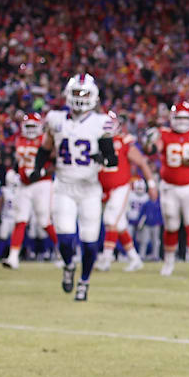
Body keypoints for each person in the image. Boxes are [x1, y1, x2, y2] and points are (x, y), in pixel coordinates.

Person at [35, 74, 120, 301]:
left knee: (90, 242)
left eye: (84, 94)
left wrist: (102, 157)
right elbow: (45, 148)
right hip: (63, 185)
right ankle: (69, 264)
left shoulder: (100, 122)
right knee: (64, 237)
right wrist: (38, 167)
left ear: (93, 96)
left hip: (90, 188)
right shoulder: (55, 119)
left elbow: (113, 159)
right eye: (76, 93)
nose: (80, 98)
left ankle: (84, 282)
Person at [148, 100, 189, 277]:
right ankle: (169, 262)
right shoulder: (165, 134)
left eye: (185, 118)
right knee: (171, 226)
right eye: (179, 118)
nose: (182, 122)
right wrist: (149, 142)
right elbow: (153, 148)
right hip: (169, 187)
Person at [96, 112, 157, 272]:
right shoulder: (95, 140)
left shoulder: (123, 141)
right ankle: (135, 259)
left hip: (120, 187)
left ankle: (106, 259)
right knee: (120, 225)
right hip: (103, 189)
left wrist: (151, 184)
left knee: (110, 220)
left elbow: (142, 162)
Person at [2, 112, 57, 269]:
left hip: (42, 183)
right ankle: (13, 258)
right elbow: (18, 160)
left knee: (44, 221)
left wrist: (42, 172)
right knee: (20, 219)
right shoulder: (19, 139)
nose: (31, 129)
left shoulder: (45, 140)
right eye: (29, 126)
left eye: (34, 126)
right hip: (24, 184)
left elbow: (55, 161)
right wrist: (13, 171)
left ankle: (63, 251)